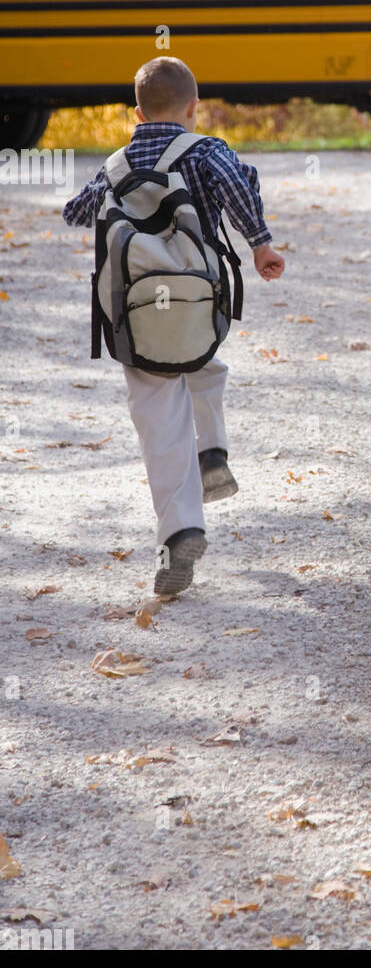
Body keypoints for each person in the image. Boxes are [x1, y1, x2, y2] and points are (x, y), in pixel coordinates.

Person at [62, 57, 285, 596]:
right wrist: (260, 244)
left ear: (137, 112)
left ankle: (180, 531)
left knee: (158, 418)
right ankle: (212, 451)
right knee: (206, 363)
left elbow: (76, 212)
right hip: (200, 303)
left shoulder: (116, 164)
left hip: (138, 318)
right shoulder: (207, 150)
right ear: (194, 106)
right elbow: (237, 187)